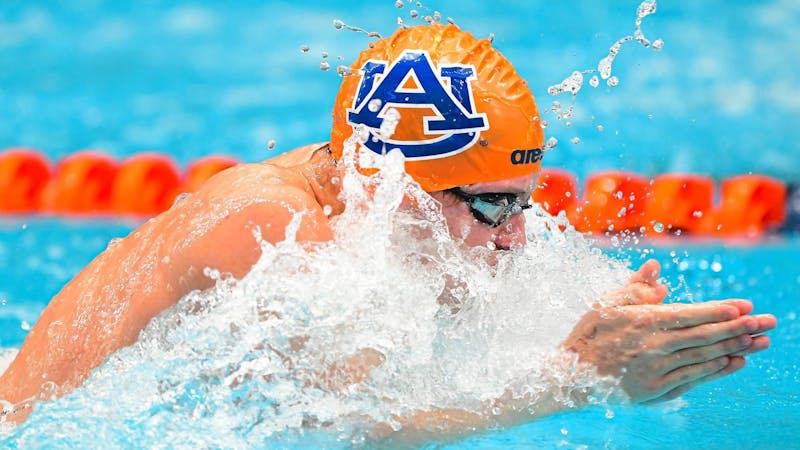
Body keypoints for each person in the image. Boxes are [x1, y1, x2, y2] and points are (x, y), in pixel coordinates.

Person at [0, 24, 776, 440]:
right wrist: (580, 375)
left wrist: (612, 324)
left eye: (526, 204)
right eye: (493, 208)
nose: (517, 240)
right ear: (393, 188)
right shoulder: (270, 226)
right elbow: (349, 428)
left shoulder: (364, 198)